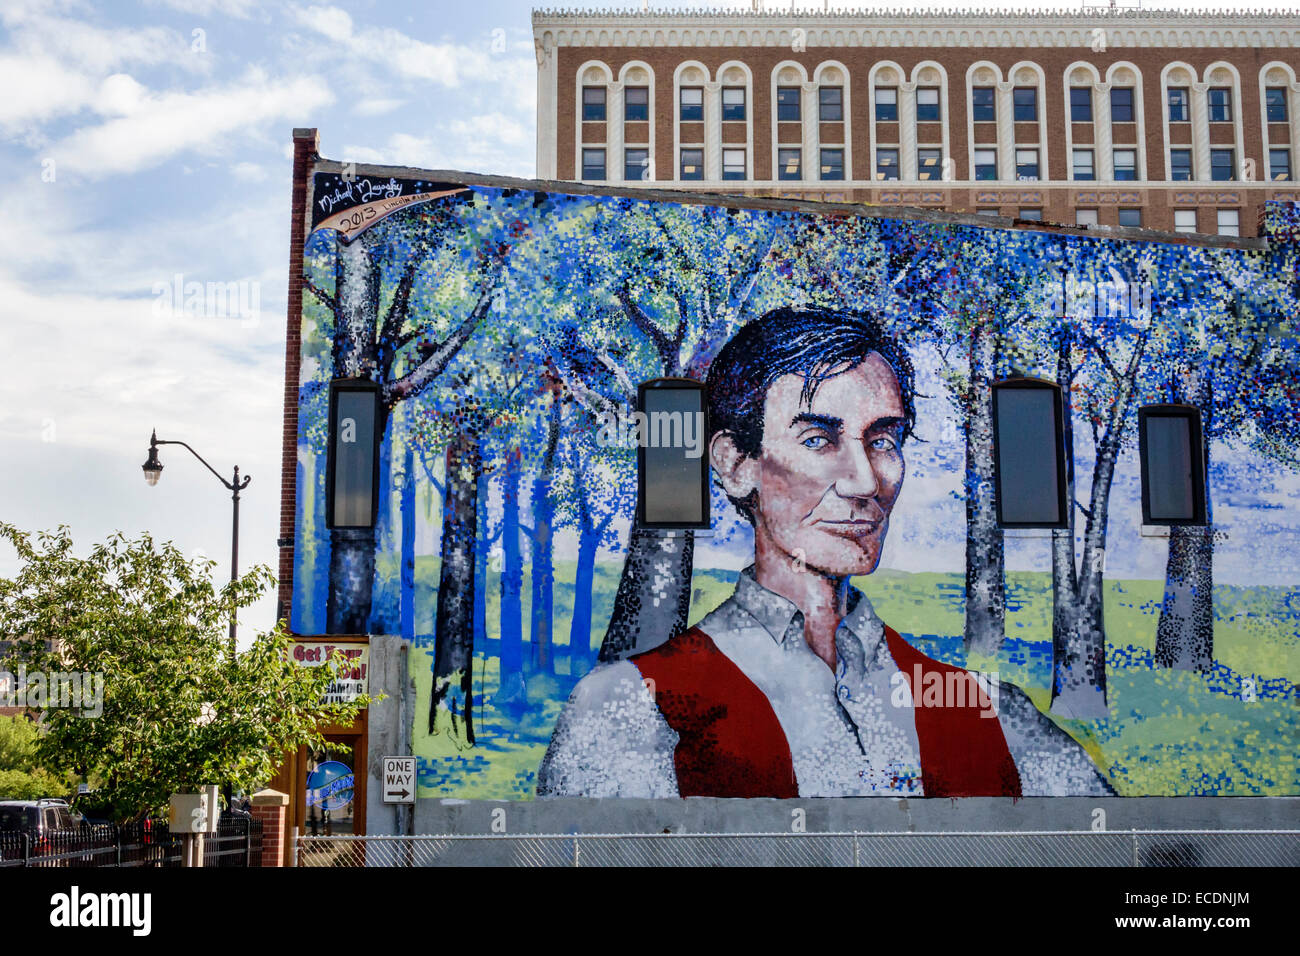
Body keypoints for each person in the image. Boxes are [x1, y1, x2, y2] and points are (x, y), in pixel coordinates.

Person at [537, 307, 1113, 798]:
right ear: (737, 465)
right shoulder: (630, 712)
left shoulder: (990, 713)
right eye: (818, 439)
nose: (866, 481)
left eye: (884, 440)